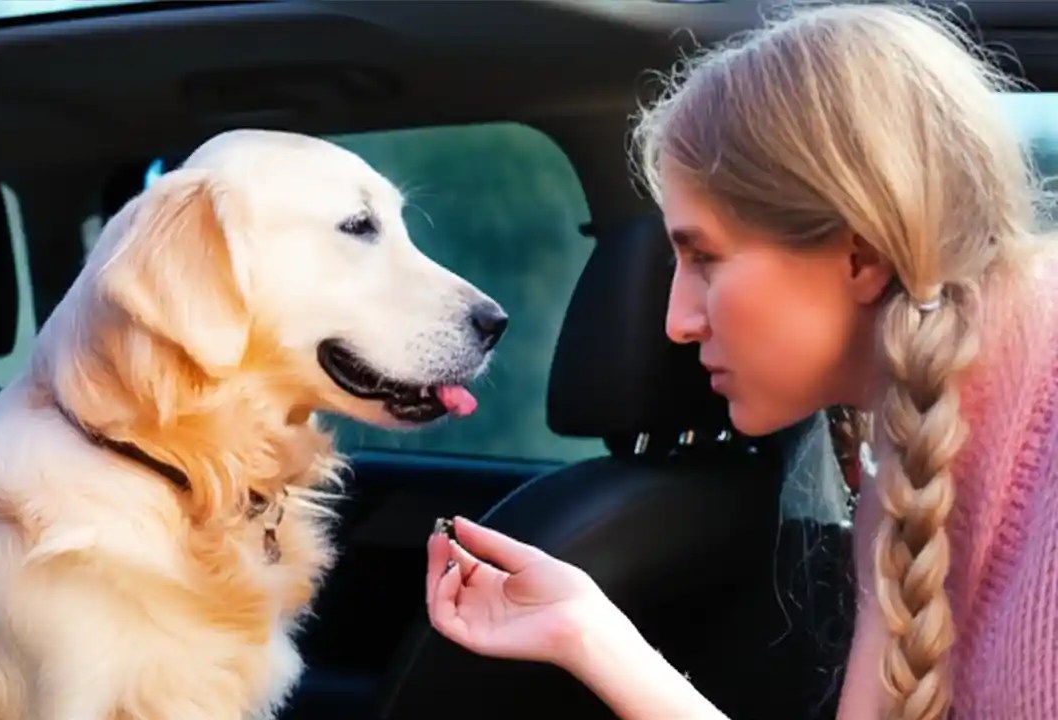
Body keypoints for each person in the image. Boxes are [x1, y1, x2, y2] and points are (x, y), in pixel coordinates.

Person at [424, 3, 1058, 720]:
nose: (676, 322)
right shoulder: (905, 454)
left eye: (704, 258)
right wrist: (590, 636)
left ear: (862, 255)